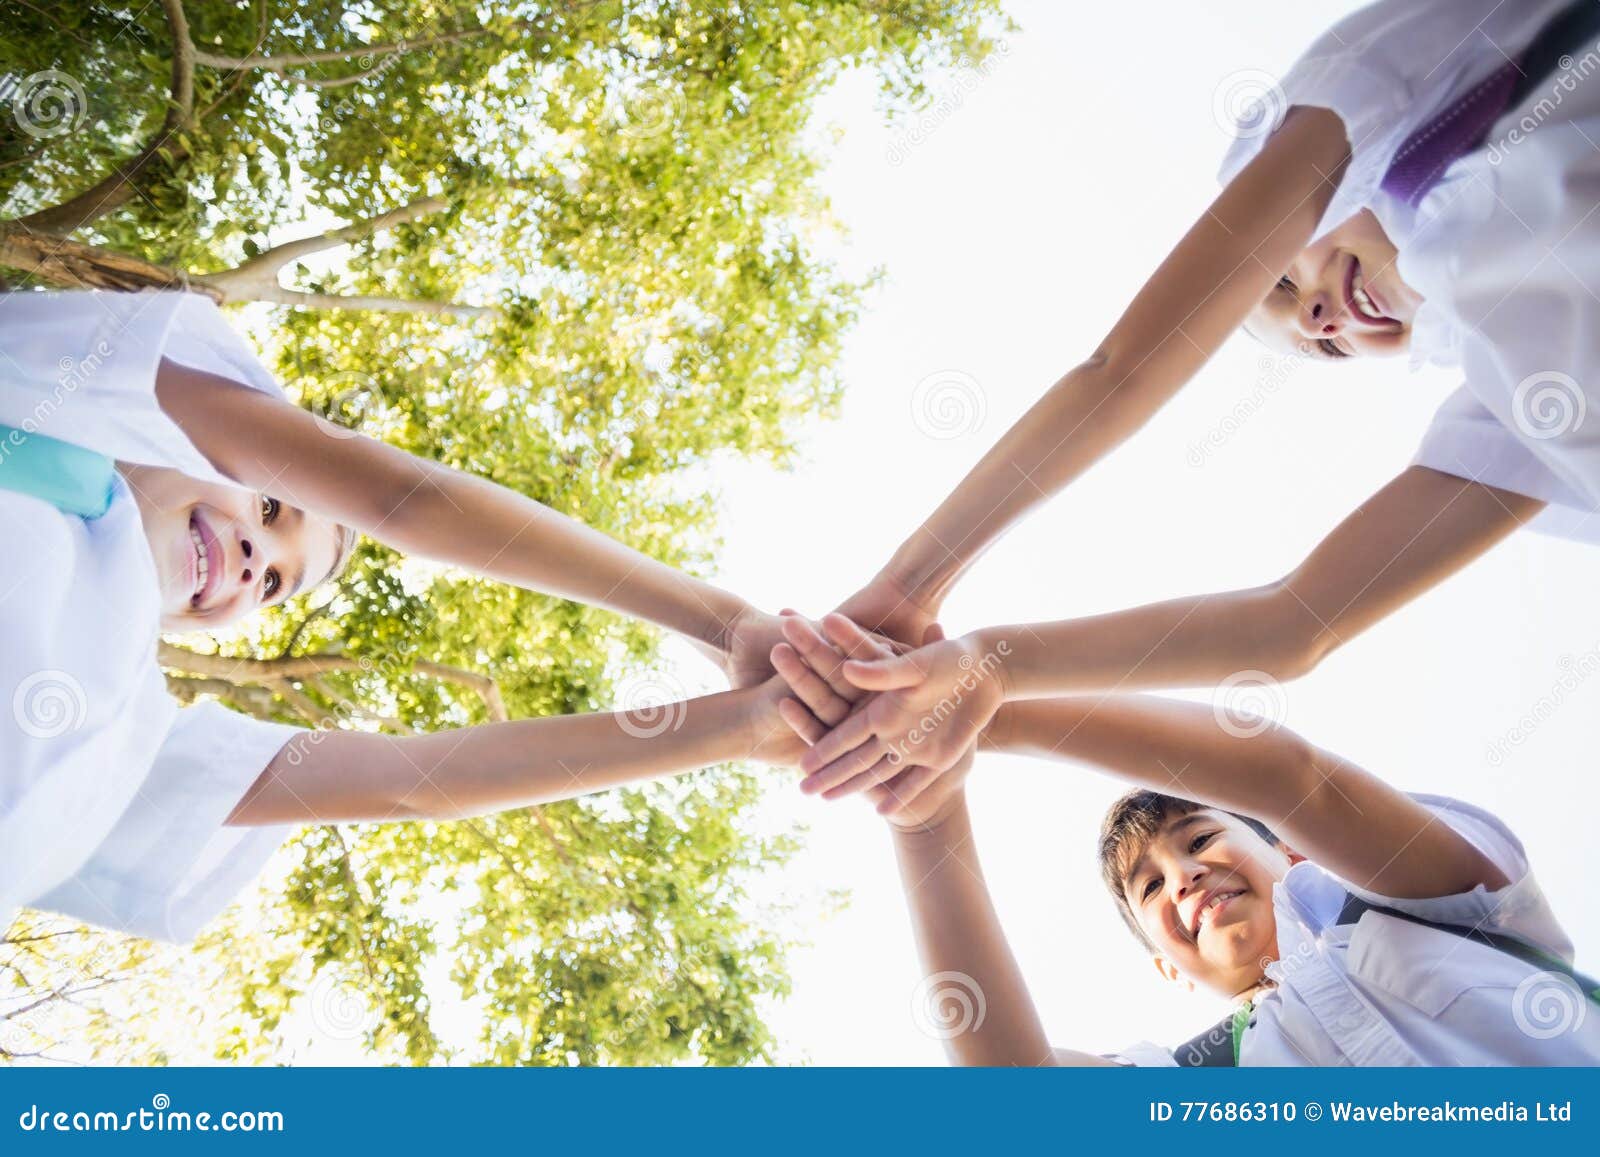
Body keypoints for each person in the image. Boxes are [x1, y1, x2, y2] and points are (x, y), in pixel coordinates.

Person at [812, 0, 1600, 791]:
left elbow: (1122, 371)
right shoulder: (1515, 398)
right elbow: (1297, 622)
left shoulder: (1412, 108)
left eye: (1283, 275)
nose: (1319, 314)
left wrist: (912, 583)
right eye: (1321, 343)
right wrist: (991, 663)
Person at [0, 288, 803, 942]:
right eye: (274, 506)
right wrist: (724, 623)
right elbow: (402, 500)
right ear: (222, 452)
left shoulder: (127, 742)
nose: (258, 562)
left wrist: (747, 725)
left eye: (276, 585)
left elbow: (415, 783)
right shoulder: (50, 388)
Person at [770, 618, 1600, 1066]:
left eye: (1201, 836)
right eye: (1151, 890)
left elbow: (1293, 778)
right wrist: (926, 807)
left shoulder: (1439, 907)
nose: (1185, 877)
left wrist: (983, 713)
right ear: (1167, 967)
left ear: (1297, 855)